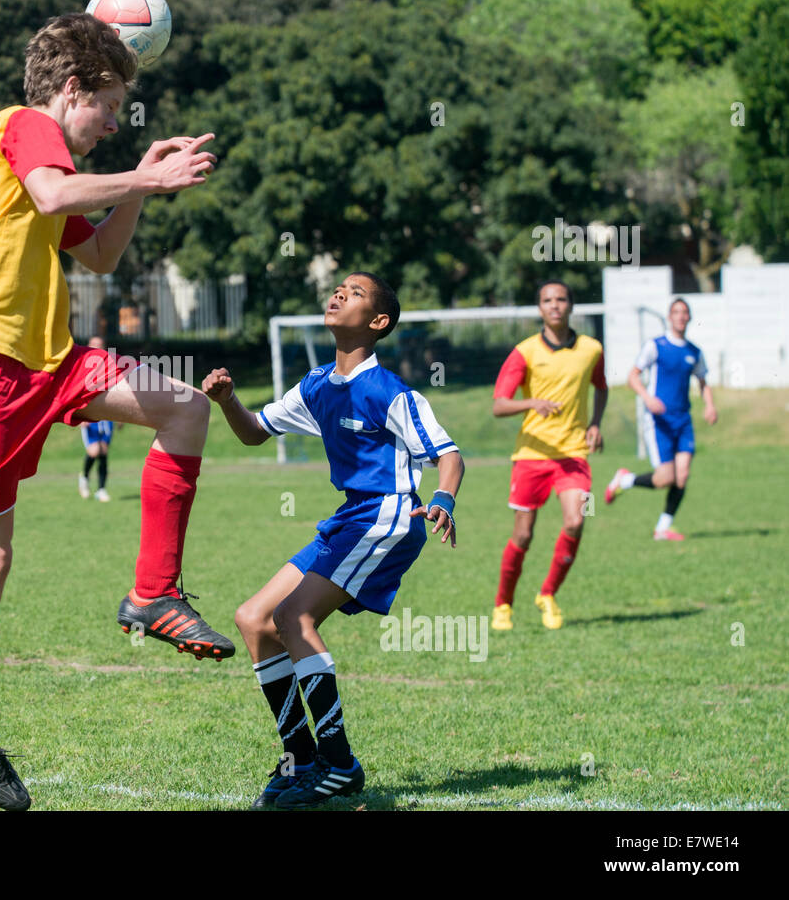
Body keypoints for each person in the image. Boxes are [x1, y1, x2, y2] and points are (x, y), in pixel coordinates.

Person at [0, 13, 227, 811]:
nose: (116, 122)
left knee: (187, 408)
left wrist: (139, 179)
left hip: (50, 363)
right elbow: (55, 190)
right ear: (71, 90)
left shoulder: (57, 160)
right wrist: (146, 178)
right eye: (111, 106)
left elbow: (96, 251)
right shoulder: (21, 127)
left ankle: (152, 593)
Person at [207, 272, 463, 809]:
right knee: (254, 619)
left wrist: (443, 499)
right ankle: (300, 760)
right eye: (340, 287)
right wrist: (229, 401)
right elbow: (255, 430)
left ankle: (340, 765)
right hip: (350, 517)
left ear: (378, 322)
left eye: (358, 292)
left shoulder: (391, 391)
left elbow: (448, 454)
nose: (341, 292)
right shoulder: (317, 383)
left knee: (294, 619)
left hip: (390, 516)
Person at [491, 280, 607, 631]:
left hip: (572, 454)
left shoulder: (591, 349)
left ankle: (548, 593)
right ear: (539, 308)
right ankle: (503, 604)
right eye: (547, 300)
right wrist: (532, 402)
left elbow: (601, 387)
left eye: (561, 299)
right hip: (531, 455)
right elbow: (499, 405)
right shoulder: (524, 352)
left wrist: (596, 424)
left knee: (575, 520)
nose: (554, 305)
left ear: (571, 305)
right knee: (524, 535)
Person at [604, 298, 717, 540]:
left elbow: (703, 382)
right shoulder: (656, 346)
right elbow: (633, 376)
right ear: (669, 317)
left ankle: (663, 528)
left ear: (689, 317)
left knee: (683, 475)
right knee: (666, 478)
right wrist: (647, 397)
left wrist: (709, 405)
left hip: (683, 420)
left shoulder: (694, 352)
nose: (680, 316)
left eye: (684, 312)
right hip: (658, 421)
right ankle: (625, 480)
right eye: (676, 312)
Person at [78, 335, 116, 502]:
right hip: (90, 415)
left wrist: (121, 417)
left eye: (100, 346)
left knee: (104, 451)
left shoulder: (110, 367)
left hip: (106, 416)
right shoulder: (83, 368)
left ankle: (101, 489)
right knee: (94, 450)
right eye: (93, 345)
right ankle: (84, 478)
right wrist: (81, 413)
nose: (97, 349)